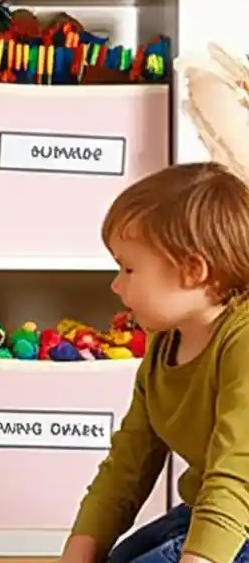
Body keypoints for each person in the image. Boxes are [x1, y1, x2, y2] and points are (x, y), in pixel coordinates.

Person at [60, 161, 249, 563]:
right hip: (208, 507)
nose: (116, 285)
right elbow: (128, 463)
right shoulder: (165, 343)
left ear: (193, 271)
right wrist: (79, 549)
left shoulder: (244, 342)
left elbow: (238, 475)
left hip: (239, 513)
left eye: (128, 268)